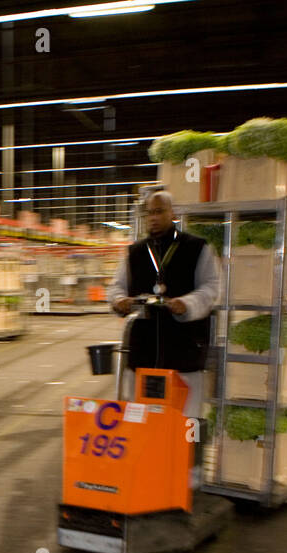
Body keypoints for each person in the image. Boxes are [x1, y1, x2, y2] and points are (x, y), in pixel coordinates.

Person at [109, 189, 220, 486]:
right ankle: (149, 474)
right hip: (144, 352)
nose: (154, 218)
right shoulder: (135, 252)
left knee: (189, 419)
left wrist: (187, 304)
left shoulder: (197, 248)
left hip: (184, 351)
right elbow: (116, 288)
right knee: (143, 415)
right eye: (149, 213)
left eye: (159, 211)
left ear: (173, 213)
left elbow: (211, 289)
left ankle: (190, 478)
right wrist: (120, 301)